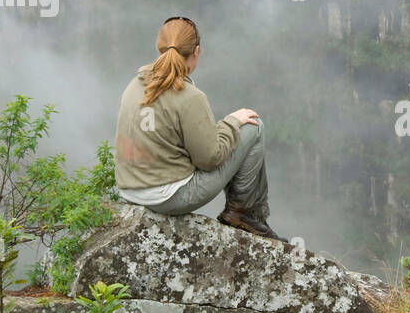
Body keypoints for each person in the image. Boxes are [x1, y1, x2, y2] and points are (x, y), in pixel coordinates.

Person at [113, 15, 285, 242]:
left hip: (129, 190)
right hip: (168, 198)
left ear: (159, 47)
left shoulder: (134, 85)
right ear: (197, 51)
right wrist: (232, 123)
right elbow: (209, 159)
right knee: (254, 127)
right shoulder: (189, 96)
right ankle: (243, 214)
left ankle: (244, 215)